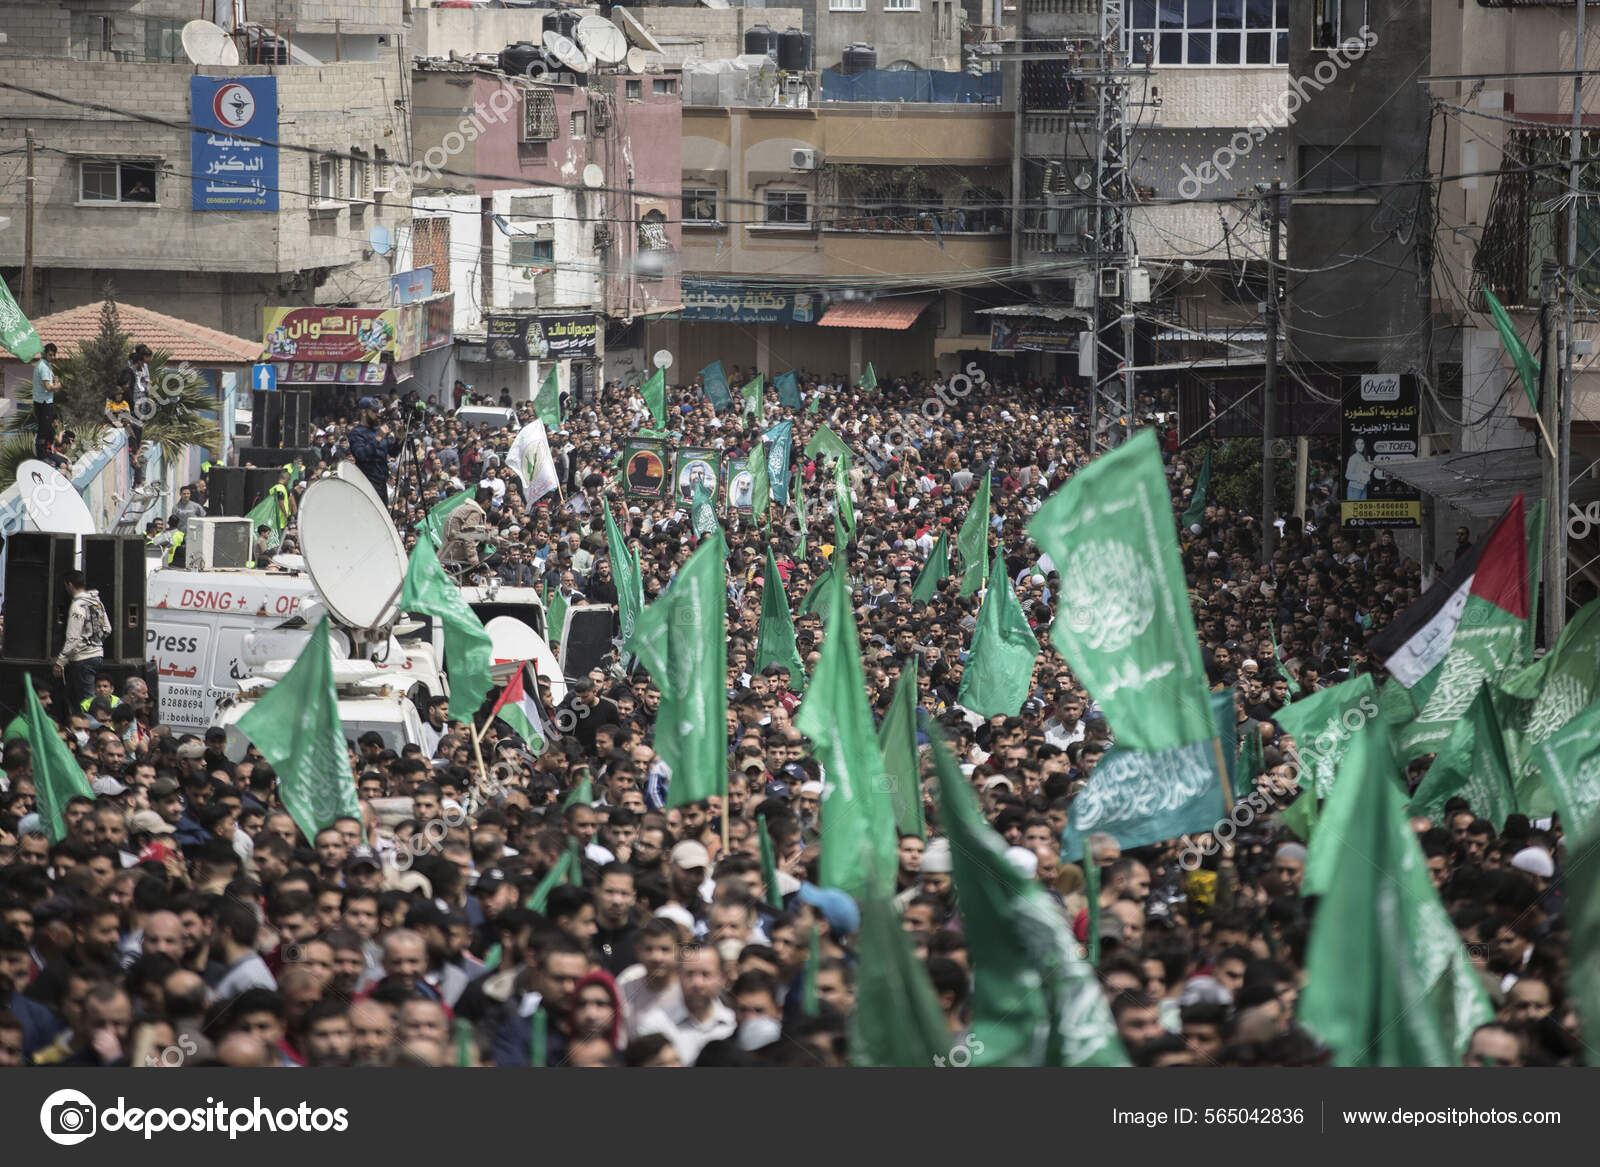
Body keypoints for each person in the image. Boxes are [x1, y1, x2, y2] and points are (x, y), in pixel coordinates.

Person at [54, 571, 109, 707]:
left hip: (83, 658)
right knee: (83, 699)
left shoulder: (77, 606)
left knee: (86, 702)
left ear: (69, 585)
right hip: (98, 656)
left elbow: (73, 637)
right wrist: (96, 642)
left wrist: (60, 662)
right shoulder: (97, 603)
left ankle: (92, 726)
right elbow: (107, 629)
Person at [348, 397, 401, 503]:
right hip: (367, 482)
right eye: (374, 411)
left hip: (382, 482)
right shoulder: (357, 433)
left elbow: (393, 452)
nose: (377, 414)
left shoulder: (378, 429)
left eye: (378, 411)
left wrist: (399, 438)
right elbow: (361, 455)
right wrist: (378, 438)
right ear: (364, 412)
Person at [31, 342, 59, 459]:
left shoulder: (45, 365)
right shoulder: (43, 367)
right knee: (43, 430)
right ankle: (42, 456)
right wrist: (57, 386)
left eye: (54, 355)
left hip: (44, 401)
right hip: (43, 402)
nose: (52, 357)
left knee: (48, 428)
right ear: (45, 354)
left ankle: (47, 452)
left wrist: (54, 380)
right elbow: (48, 387)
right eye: (50, 355)